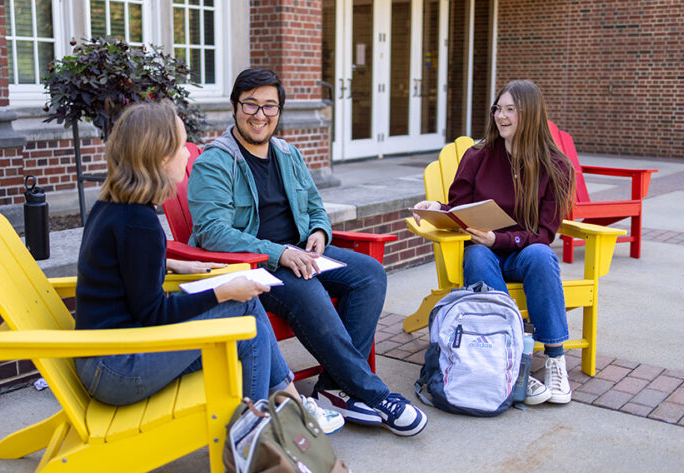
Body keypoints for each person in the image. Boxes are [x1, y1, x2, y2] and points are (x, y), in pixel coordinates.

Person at [73, 101, 344, 434]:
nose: (189, 155)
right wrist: (222, 291)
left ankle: (281, 414)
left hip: (107, 357)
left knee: (248, 323)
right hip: (119, 371)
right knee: (243, 305)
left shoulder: (113, 205)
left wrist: (175, 264)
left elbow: (120, 268)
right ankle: (268, 426)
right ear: (160, 157)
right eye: (181, 147)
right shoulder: (139, 223)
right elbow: (154, 314)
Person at [187, 68, 427, 436]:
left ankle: (333, 386)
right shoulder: (214, 162)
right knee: (308, 288)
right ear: (235, 107)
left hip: (304, 254)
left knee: (369, 274)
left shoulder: (288, 154)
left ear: (279, 112)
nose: (260, 115)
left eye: (270, 106)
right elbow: (211, 232)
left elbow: (316, 206)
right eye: (250, 104)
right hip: (257, 266)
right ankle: (373, 394)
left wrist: (319, 231)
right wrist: (279, 253)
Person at [413, 79, 576, 405]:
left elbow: (544, 233)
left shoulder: (556, 166)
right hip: (484, 255)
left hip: (523, 255)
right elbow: (459, 209)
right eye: (498, 109)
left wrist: (498, 238)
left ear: (528, 114)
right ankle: (510, 357)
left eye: (510, 110)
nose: (501, 116)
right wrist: (438, 209)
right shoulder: (478, 157)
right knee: (475, 257)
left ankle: (556, 359)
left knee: (542, 256)